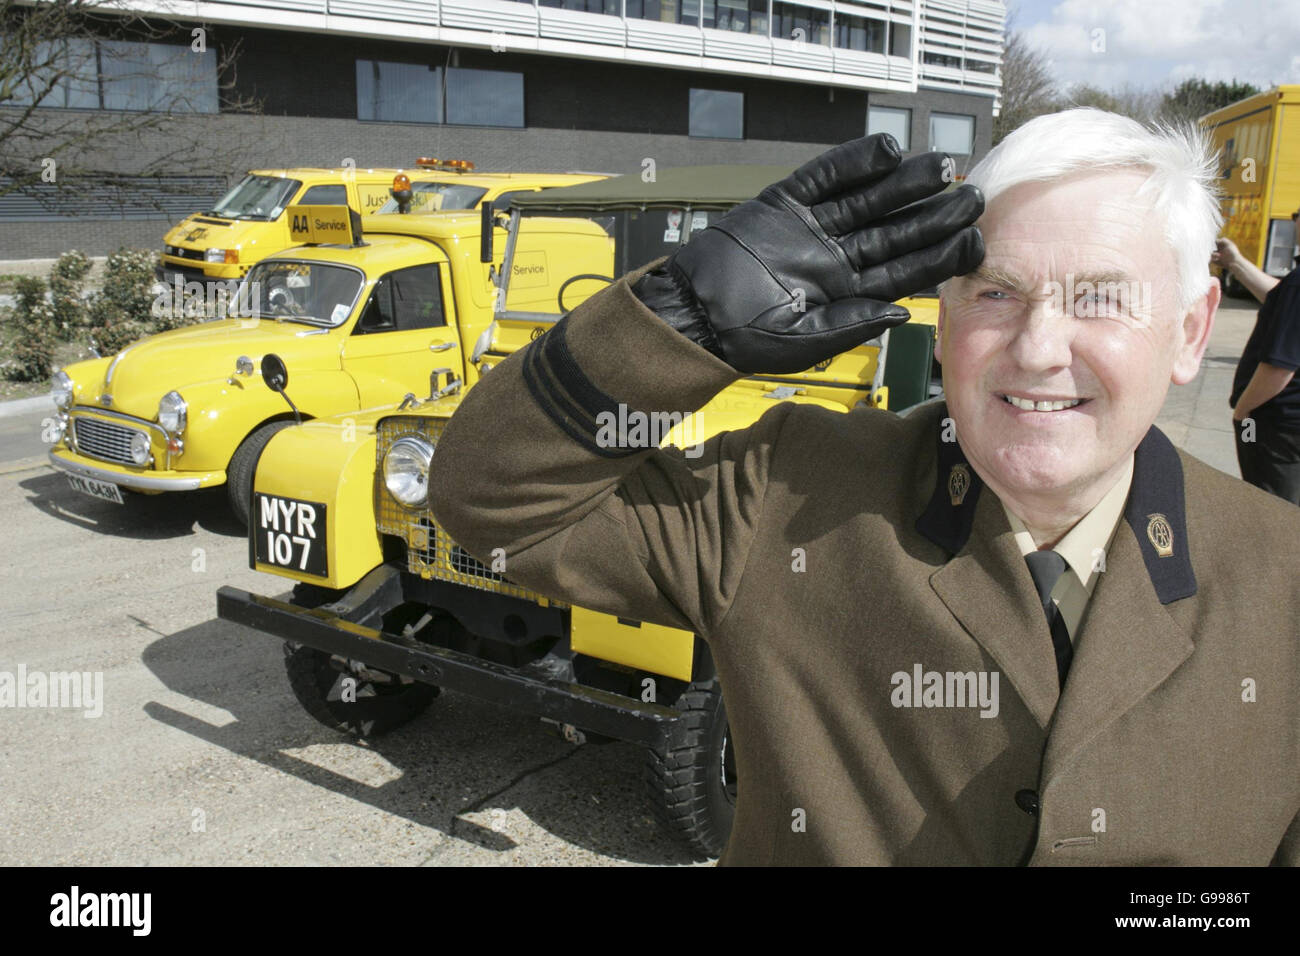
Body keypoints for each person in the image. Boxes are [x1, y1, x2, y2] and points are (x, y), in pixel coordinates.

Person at [428, 108, 1300, 865]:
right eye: (995, 291)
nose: (1038, 348)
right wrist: (685, 317)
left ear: (1191, 333)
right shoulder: (792, 491)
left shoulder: (1284, 580)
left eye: (1100, 299)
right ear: (945, 314)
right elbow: (493, 501)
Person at [1215, 219, 1300, 503]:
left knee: (1266, 502)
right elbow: (1278, 299)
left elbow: (1279, 367)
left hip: (1269, 426)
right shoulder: (1293, 287)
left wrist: (1242, 411)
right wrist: (1235, 263)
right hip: (1284, 428)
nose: (1294, 219)